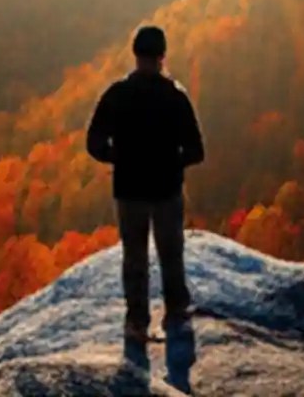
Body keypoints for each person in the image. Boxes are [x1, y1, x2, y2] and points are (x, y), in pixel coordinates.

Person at [86, 25, 204, 393]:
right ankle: (176, 312)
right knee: (171, 253)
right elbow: (197, 151)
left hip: (129, 191)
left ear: (135, 55)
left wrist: (118, 158)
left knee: (134, 257)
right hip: (166, 190)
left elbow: (93, 142)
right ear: (162, 56)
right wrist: (172, 162)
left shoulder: (117, 94)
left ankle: (137, 322)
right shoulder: (175, 97)